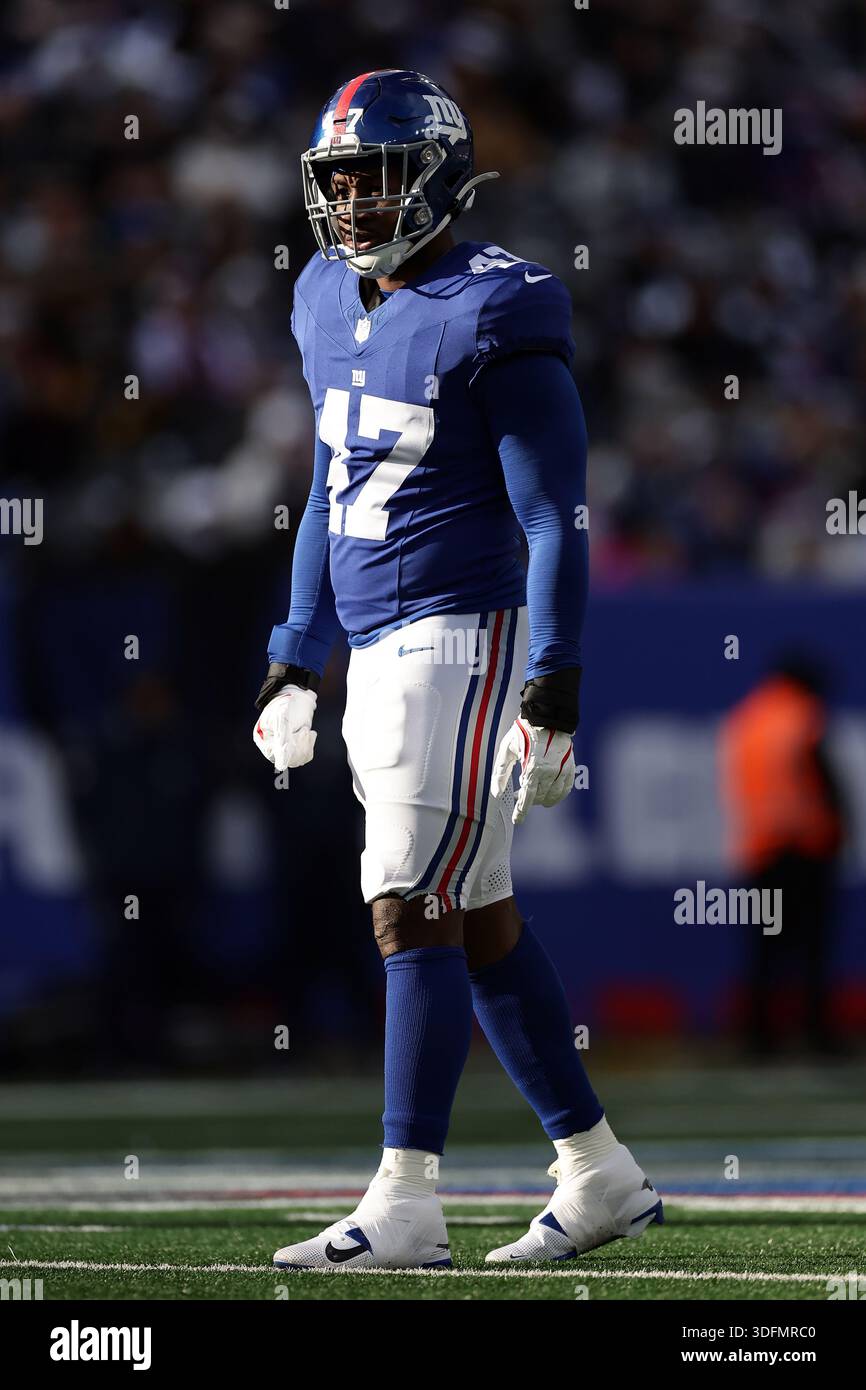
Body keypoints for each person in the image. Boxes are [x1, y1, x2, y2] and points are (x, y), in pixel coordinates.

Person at [253, 69, 662, 1270]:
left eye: (373, 178)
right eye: (336, 183)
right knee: (470, 911)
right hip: (374, 641)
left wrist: (555, 678)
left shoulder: (498, 306)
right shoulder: (322, 296)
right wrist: (294, 658)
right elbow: (329, 491)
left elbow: (552, 517)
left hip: (461, 631)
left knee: (405, 899)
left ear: (432, 171)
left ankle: (405, 1197)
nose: (352, 205)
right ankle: (596, 1172)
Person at [720, 653, 848, 1059]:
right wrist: (839, 830)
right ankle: (816, 1036)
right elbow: (825, 780)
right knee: (812, 951)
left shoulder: (747, 719)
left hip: (760, 852)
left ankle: (758, 1040)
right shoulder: (803, 717)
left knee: (764, 950)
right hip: (804, 849)